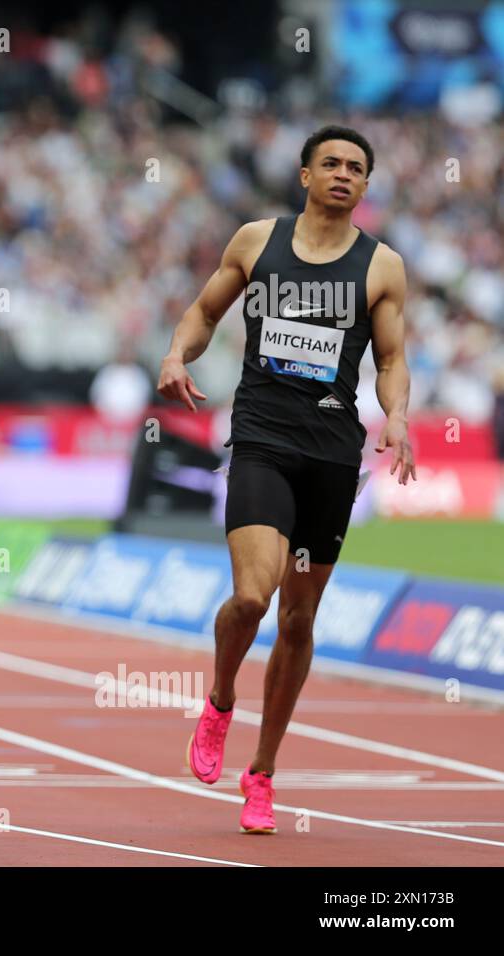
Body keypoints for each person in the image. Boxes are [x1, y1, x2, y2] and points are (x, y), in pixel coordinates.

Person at [157, 125, 416, 834]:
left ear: (366, 186)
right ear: (304, 175)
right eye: (330, 163)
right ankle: (218, 700)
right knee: (251, 596)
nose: (342, 174)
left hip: (332, 454)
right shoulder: (255, 242)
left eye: (356, 168)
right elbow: (206, 311)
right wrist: (179, 353)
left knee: (299, 618)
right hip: (263, 441)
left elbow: (391, 359)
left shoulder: (381, 266)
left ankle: (262, 772)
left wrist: (396, 417)